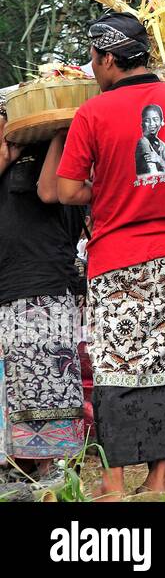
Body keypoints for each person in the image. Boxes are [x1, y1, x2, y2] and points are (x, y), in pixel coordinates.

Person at [57, 12, 165, 498]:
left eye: (93, 59)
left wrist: (106, 188)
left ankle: (113, 484)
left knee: (115, 367)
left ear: (109, 59)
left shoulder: (93, 114)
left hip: (116, 259)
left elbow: (67, 190)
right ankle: (159, 481)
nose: (92, 68)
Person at [0, 109, 85, 478]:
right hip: (9, 287)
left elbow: (52, 192)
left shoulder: (59, 150)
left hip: (44, 286)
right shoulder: (9, 159)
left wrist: (58, 134)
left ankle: (52, 470)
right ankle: (17, 467)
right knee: (14, 388)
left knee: (49, 384)